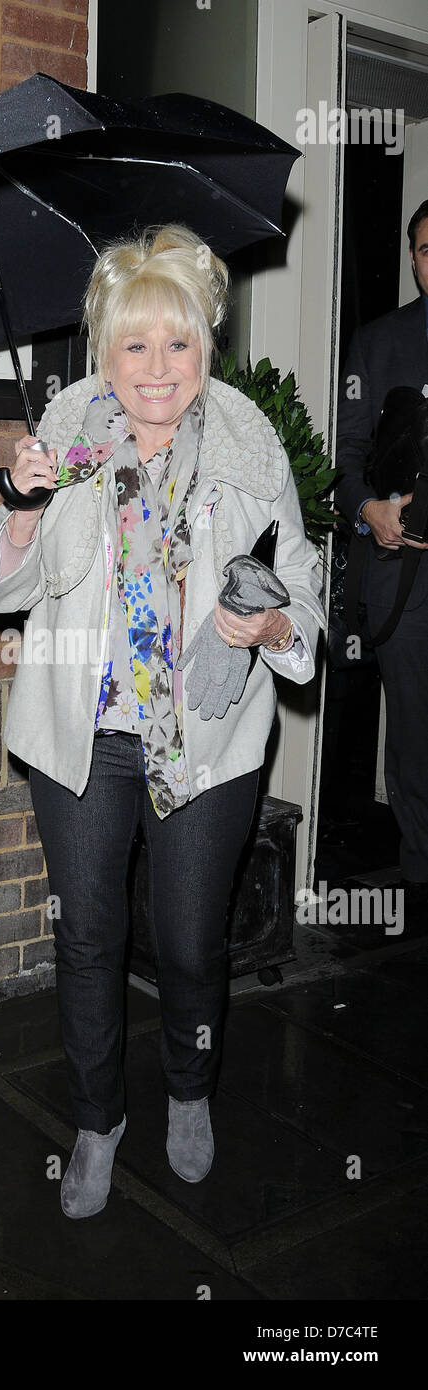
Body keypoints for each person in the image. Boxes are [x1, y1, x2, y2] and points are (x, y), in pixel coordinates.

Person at [0, 224, 325, 1219]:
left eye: (176, 342)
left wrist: (270, 623)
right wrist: (22, 511)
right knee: (86, 936)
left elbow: (302, 589)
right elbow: (1, 589)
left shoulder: (250, 451)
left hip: (204, 744)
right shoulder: (66, 443)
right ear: (105, 352)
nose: (156, 367)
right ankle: (95, 1119)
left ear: (204, 346)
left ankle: (186, 1091)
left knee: (187, 943)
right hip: (82, 740)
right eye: (134, 344)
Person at [335, 199, 428, 909]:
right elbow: (344, 455)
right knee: (415, 731)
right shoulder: (376, 343)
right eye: (425, 249)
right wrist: (369, 512)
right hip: (405, 578)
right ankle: (422, 878)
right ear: (411, 257)